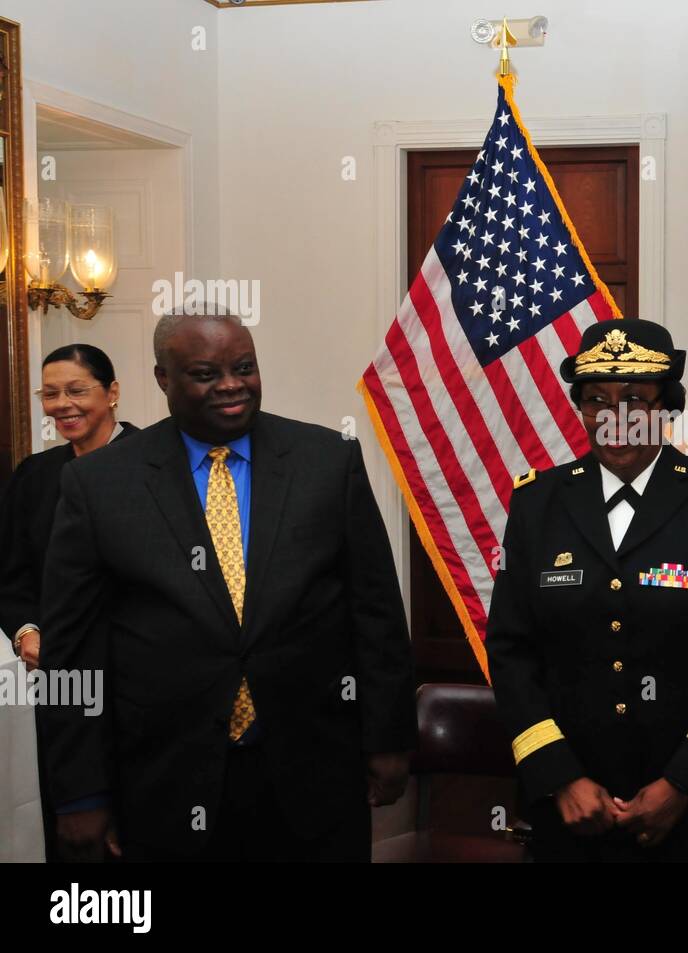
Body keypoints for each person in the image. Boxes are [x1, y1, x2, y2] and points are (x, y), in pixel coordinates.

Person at [37, 307, 416, 862]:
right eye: (206, 374)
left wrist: (389, 738)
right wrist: (79, 791)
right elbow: (71, 652)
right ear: (164, 378)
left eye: (244, 367)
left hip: (313, 771)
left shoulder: (326, 462)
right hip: (163, 778)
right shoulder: (99, 484)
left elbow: (376, 610)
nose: (232, 386)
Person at [487, 318, 688, 862]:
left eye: (635, 400)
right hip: (571, 815)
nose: (614, 418)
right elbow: (511, 652)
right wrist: (560, 777)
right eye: (597, 399)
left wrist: (684, 783)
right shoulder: (536, 504)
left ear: (666, 407)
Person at [0, 344, 138, 860]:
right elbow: (10, 578)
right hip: (62, 685)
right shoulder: (34, 477)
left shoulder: (157, 464)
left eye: (76, 390)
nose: (62, 404)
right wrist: (25, 631)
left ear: (113, 392)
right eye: (50, 393)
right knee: (74, 833)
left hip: (140, 680)